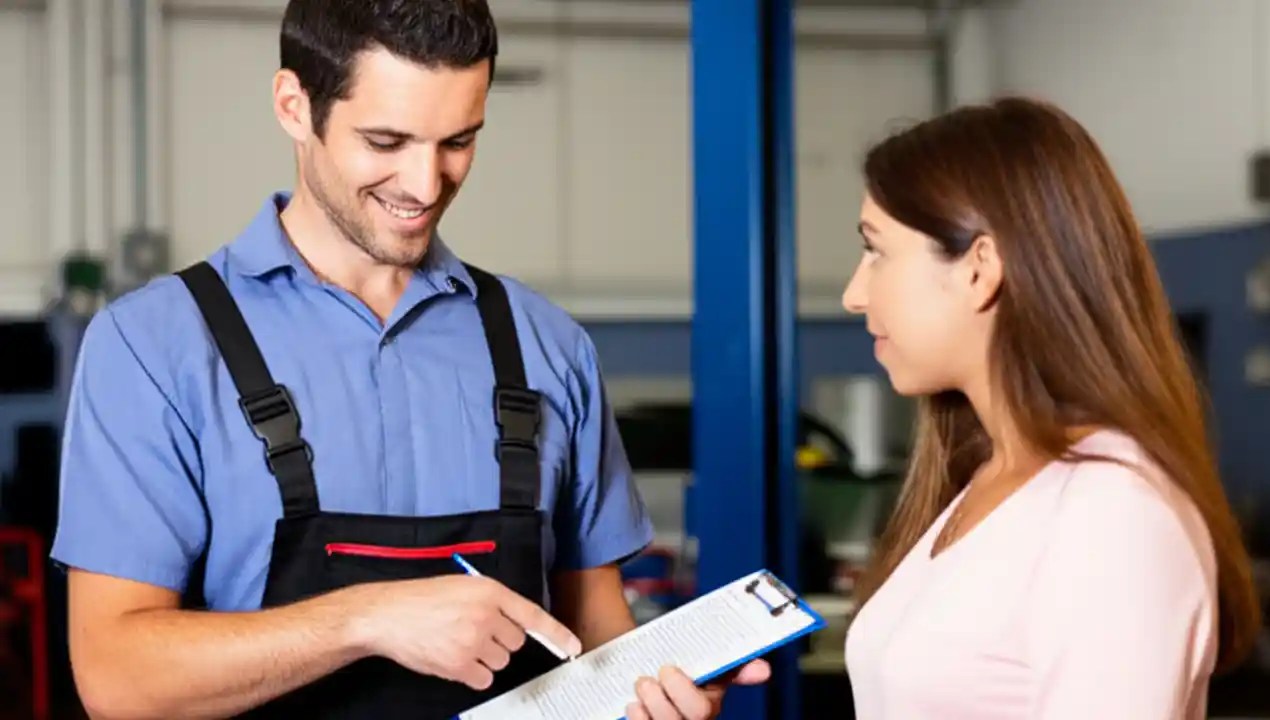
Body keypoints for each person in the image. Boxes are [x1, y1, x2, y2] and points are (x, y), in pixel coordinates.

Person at [50, 1, 767, 718]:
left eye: (458, 140)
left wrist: (652, 698)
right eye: (386, 141)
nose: (425, 186)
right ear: (294, 106)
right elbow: (118, 679)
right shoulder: (154, 347)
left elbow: (596, 641)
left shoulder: (547, 347)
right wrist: (369, 620)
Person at [840, 97, 1261, 719]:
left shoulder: (1111, 516)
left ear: (980, 268)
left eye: (877, 251)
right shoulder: (988, 481)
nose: (854, 293)